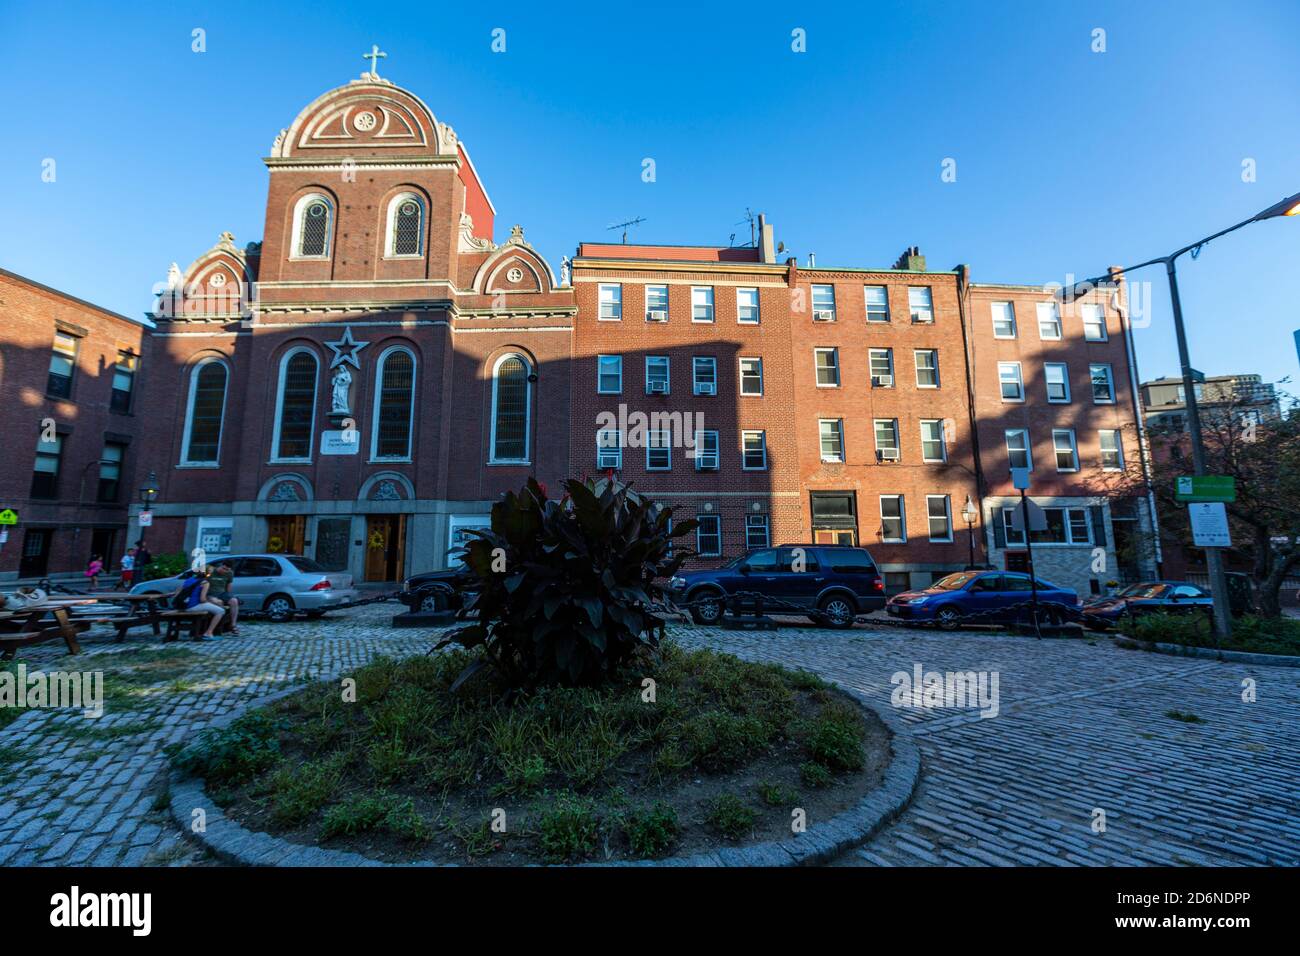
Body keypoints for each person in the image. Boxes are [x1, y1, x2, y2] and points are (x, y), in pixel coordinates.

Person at [177, 567, 224, 639]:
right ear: (207, 575)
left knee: (212, 608)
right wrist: (213, 602)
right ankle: (208, 632)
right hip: (193, 606)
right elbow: (202, 599)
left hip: (184, 606)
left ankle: (203, 630)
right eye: (210, 574)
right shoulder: (205, 582)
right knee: (220, 611)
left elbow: (178, 592)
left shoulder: (189, 580)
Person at [208, 562, 240, 635]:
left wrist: (228, 596)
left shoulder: (230, 573)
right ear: (220, 566)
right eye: (224, 568)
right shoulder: (211, 571)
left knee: (234, 601)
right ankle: (218, 627)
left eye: (227, 570)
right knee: (218, 602)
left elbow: (229, 586)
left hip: (222, 593)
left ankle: (233, 625)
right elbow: (203, 582)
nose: (225, 571)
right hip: (210, 594)